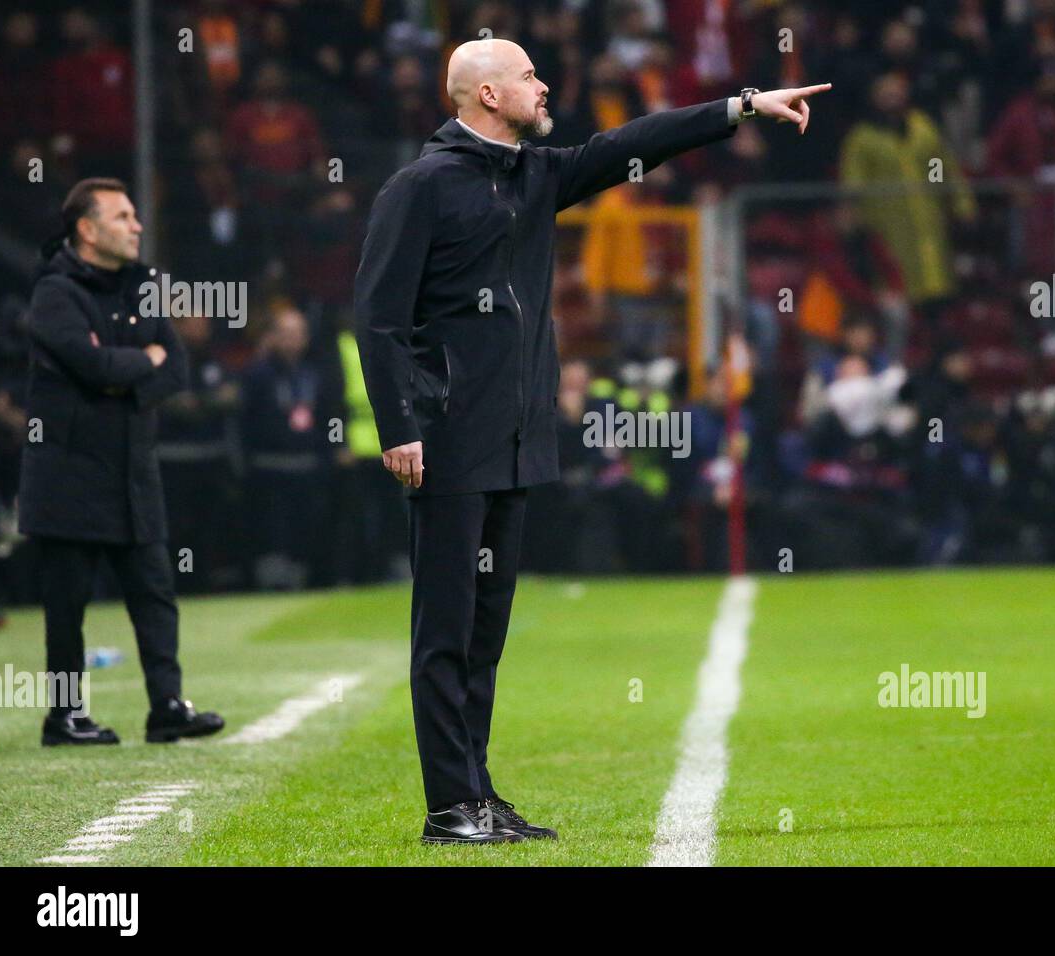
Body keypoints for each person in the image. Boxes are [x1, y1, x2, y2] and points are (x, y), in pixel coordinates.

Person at [354, 37, 829, 844]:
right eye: (530, 76)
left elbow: (627, 144)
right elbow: (377, 315)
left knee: (485, 631)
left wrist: (741, 106)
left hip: (513, 438)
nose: (546, 87)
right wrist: (399, 426)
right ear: (488, 96)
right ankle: (448, 807)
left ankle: (476, 790)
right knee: (445, 628)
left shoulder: (533, 176)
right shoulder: (421, 186)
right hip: (446, 436)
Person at [19, 178, 225, 747]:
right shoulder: (54, 292)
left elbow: (174, 369)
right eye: (123, 216)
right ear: (86, 229)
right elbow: (90, 366)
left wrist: (120, 373)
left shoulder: (147, 285)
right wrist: (138, 361)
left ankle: (167, 707)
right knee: (67, 604)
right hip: (67, 473)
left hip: (133, 471)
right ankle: (64, 716)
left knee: (156, 595)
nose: (137, 225)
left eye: (135, 215)